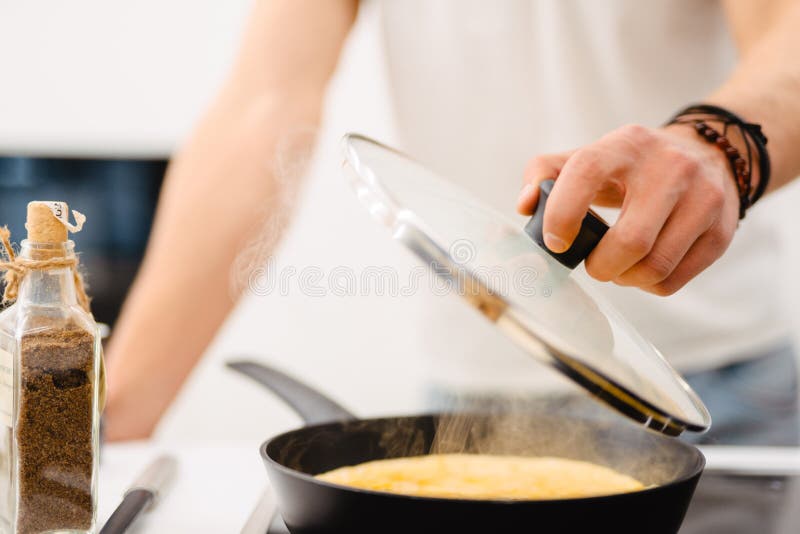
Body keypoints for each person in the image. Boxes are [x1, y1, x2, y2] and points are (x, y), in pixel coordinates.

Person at [104, 0, 800, 445]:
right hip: (471, 404)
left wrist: (719, 143)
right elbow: (265, 106)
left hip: (720, 390)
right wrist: (113, 420)